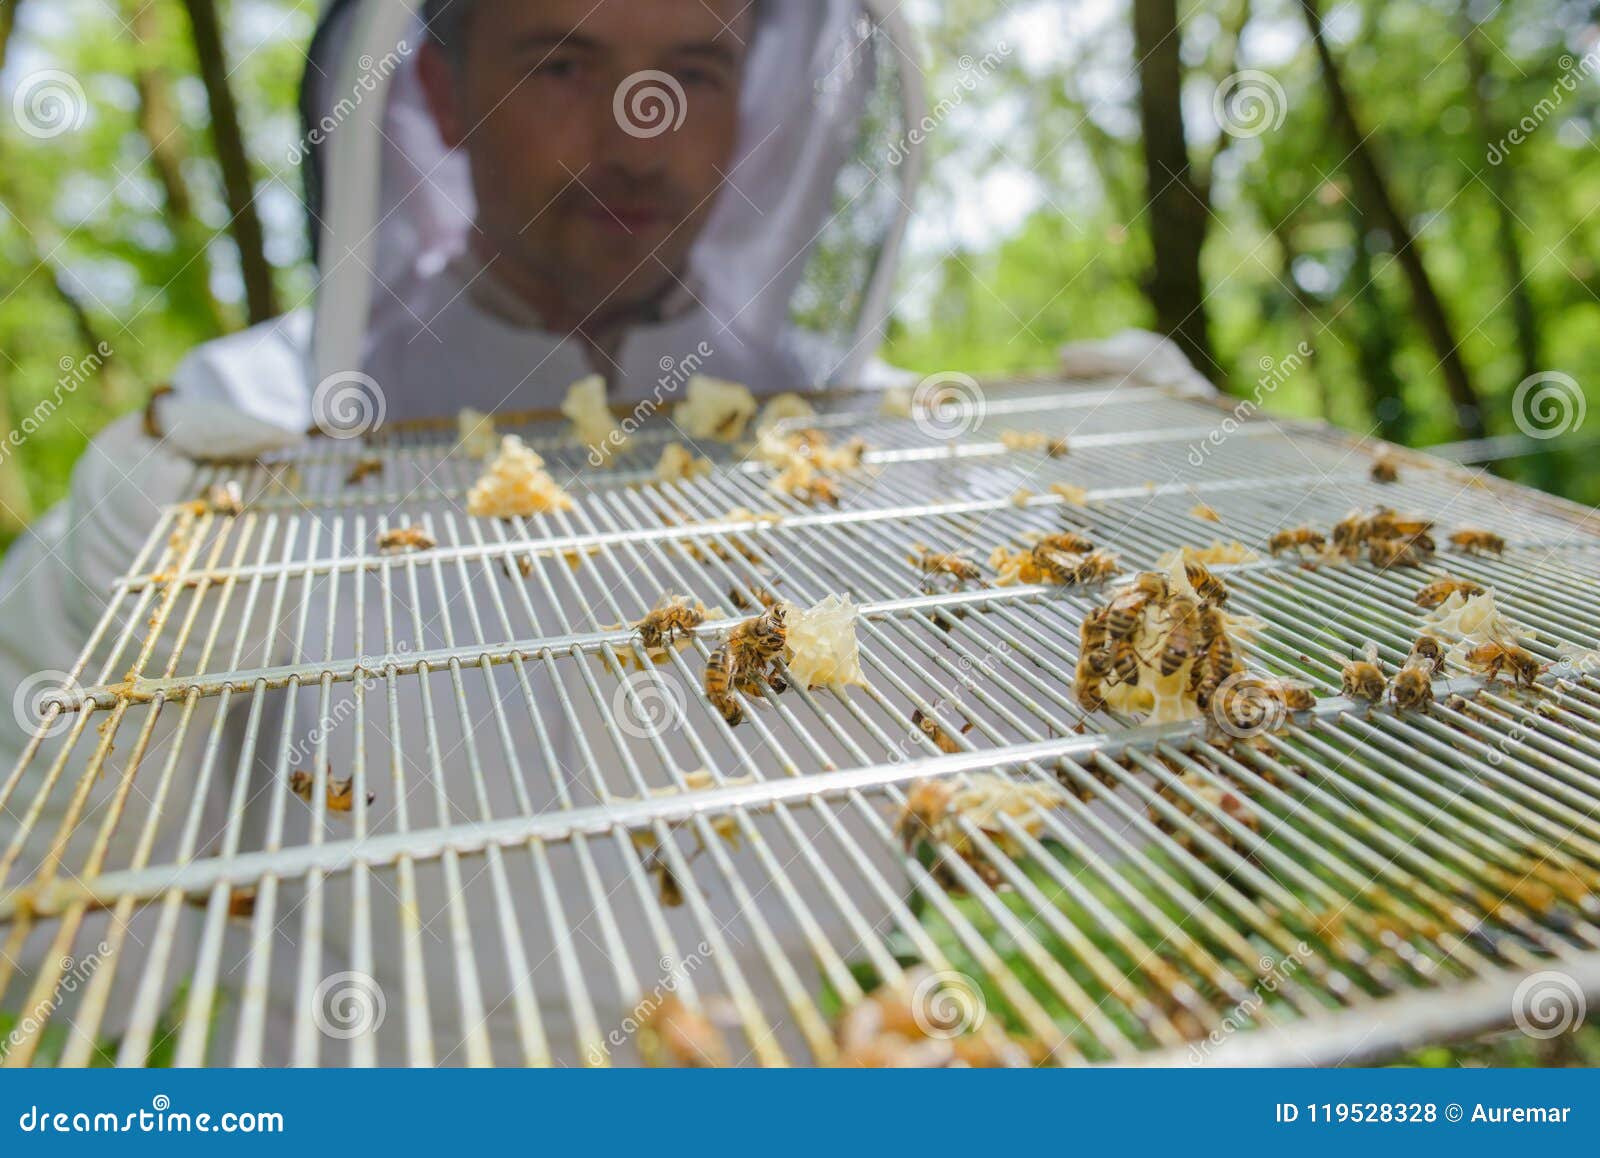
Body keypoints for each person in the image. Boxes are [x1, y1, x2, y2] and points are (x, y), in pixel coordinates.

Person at [0, 0, 925, 1066]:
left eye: (695, 71)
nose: (639, 133)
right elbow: (44, 953)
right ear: (442, 94)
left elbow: (1059, 798)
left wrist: (1108, 520)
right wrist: (108, 611)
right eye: (562, 66)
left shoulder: (874, 430)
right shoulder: (246, 418)